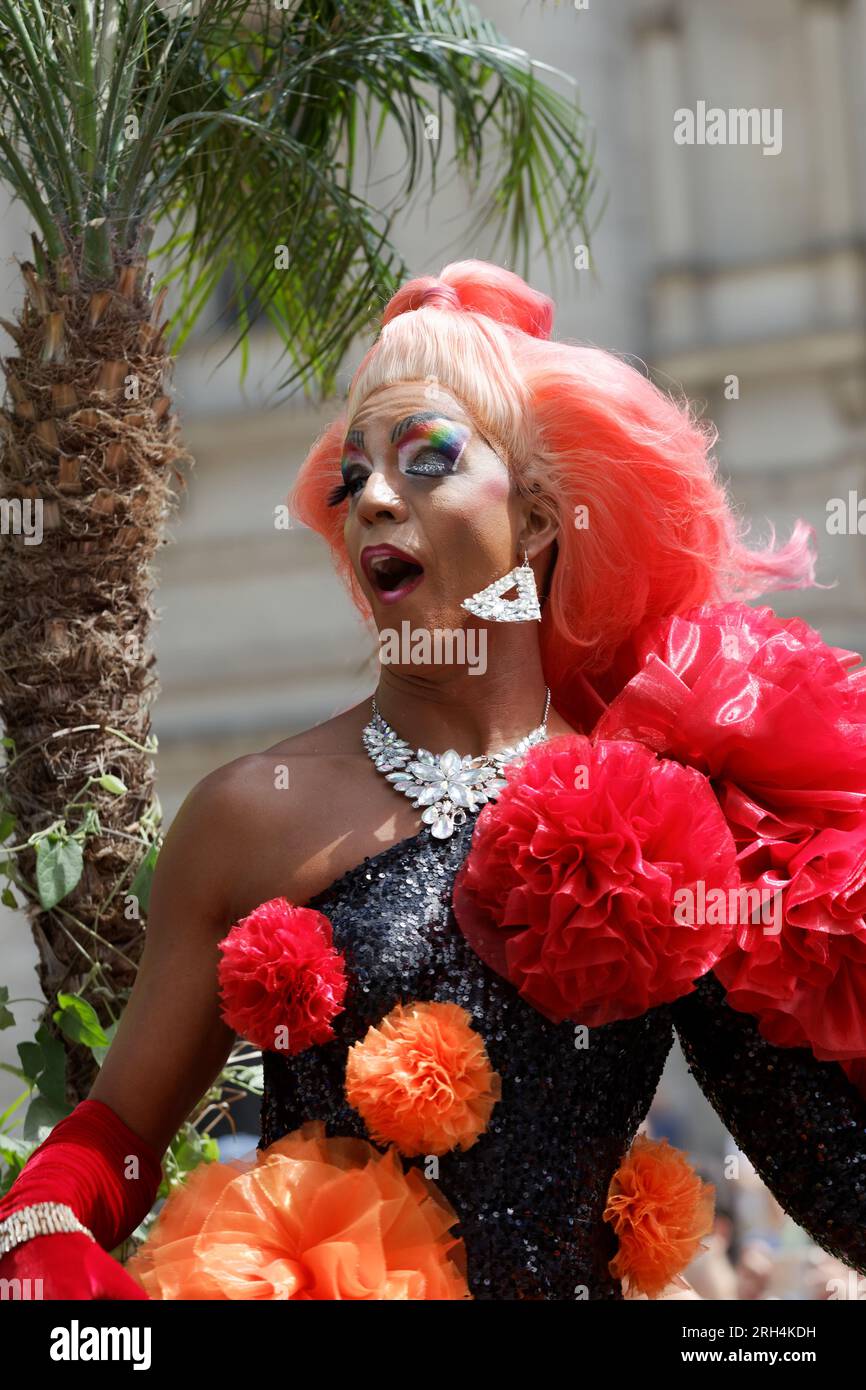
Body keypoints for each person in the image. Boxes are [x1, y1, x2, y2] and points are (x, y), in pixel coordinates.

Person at [2, 260, 865, 1301]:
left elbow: (832, 1175)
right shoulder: (244, 816)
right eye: (351, 474)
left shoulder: (659, 819)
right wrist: (41, 1236)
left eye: (426, 460)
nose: (370, 496)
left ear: (538, 522)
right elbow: (119, 1134)